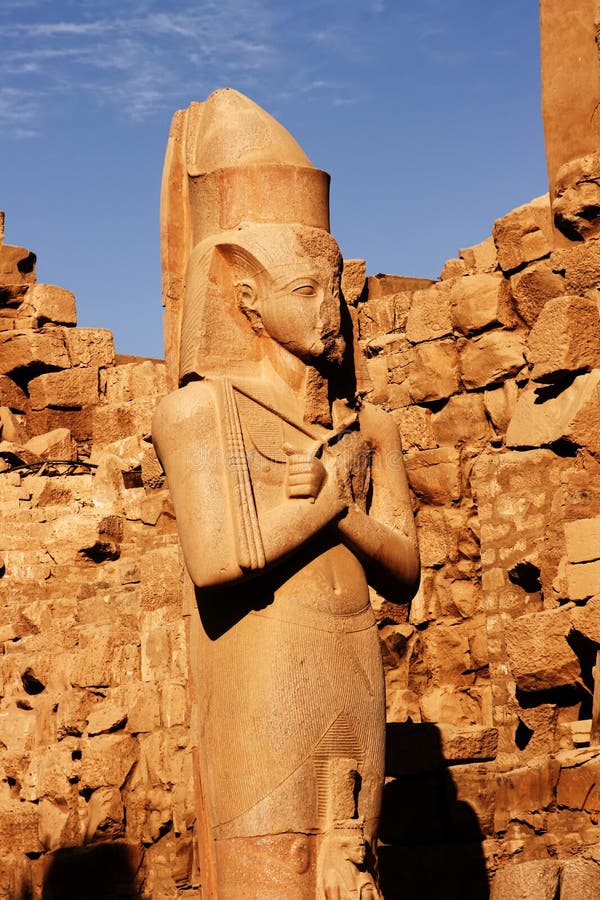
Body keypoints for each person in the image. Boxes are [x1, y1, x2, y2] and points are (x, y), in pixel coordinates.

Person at [153, 220, 419, 898]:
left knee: (358, 861)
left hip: (355, 657)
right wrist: (317, 512)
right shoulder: (199, 411)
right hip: (263, 663)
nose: (329, 313)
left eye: (335, 292)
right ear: (248, 304)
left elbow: (405, 570)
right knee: (272, 868)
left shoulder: (370, 427)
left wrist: (341, 508)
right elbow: (215, 563)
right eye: (303, 291)